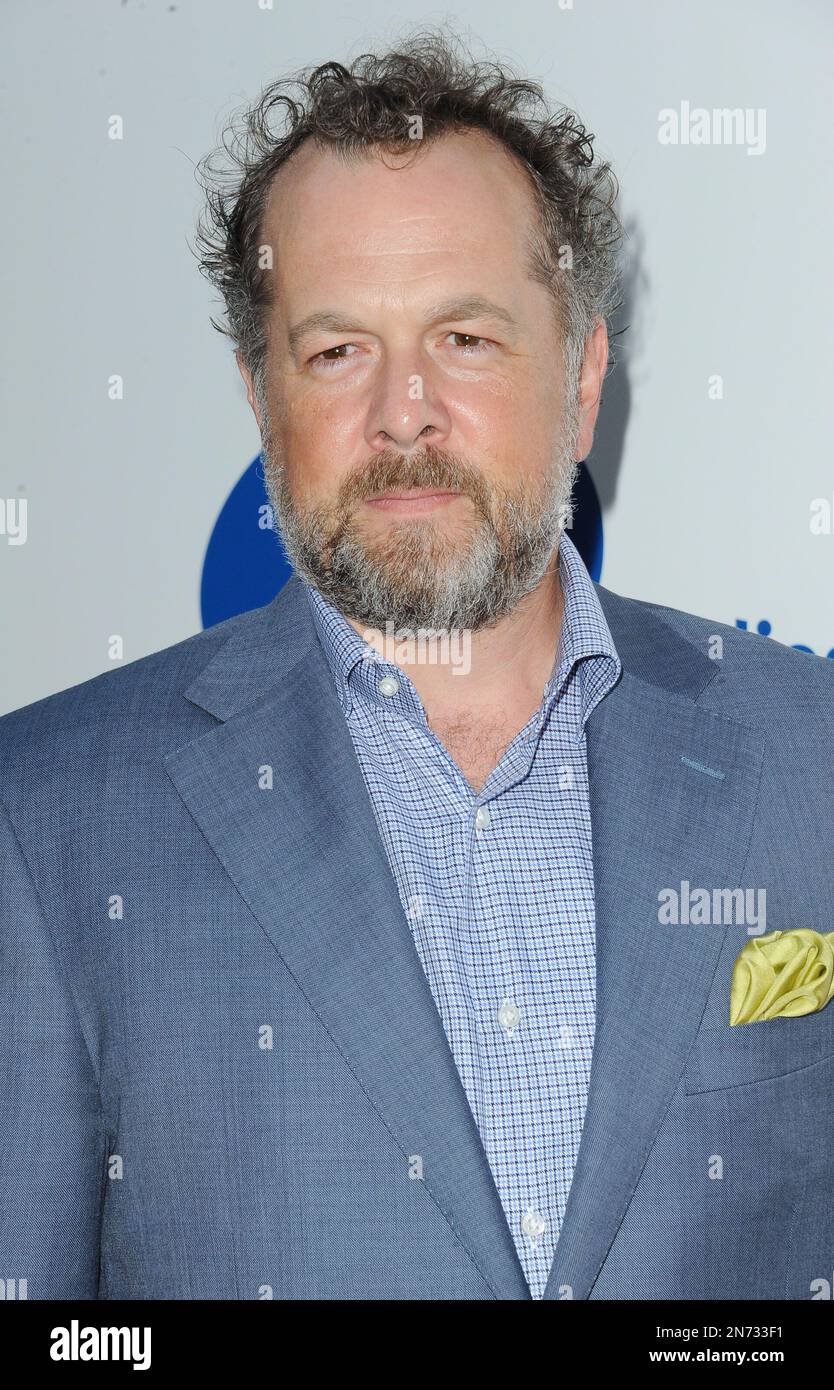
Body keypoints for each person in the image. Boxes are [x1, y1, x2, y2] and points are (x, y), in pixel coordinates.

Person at [2, 30, 832, 1301]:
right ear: (257, 390)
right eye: (337, 350)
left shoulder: (810, 752)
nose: (405, 413)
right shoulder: (45, 816)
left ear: (585, 374)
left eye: (467, 339)